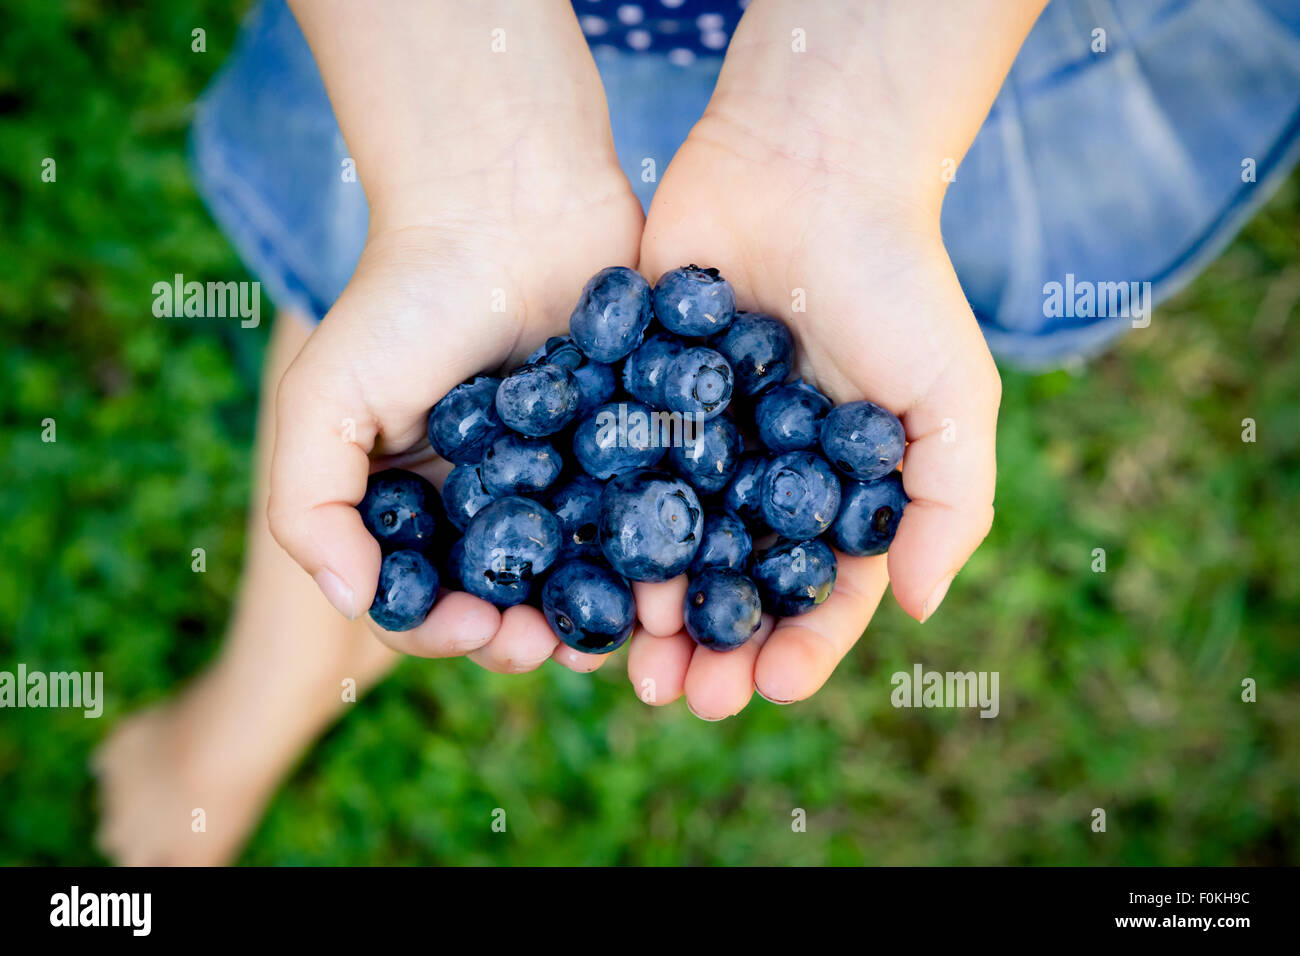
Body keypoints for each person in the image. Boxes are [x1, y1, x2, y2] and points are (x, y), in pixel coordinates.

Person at [94, 0, 1300, 865]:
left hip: (931, 55)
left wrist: (851, 142)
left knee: (405, 457)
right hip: (443, 62)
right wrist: (453, 170)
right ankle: (281, 674)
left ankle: (284, 681)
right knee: (399, 402)